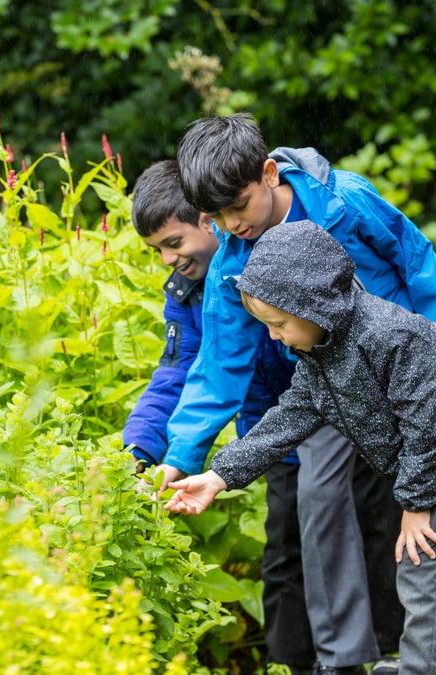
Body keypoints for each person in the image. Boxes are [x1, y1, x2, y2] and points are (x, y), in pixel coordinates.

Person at [166, 113, 436, 674]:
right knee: (318, 499)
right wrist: (182, 454)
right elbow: (218, 364)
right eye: (218, 216)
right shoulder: (232, 263)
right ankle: (342, 658)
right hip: (330, 386)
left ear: (267, 173)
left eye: (239, 205)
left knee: (428, 501)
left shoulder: (347, 202)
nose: (232, 224)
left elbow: (418, 264)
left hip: (407, 373)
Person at [119, 160, 315, 671]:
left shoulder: (268, 257)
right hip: (269, 444)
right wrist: (138, 452)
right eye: (156, 250)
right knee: (284, 563)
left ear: (210, 220)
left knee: (349, 544)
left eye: (174, 243)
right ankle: (291, 666)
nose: (167, 258)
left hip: (327, 426)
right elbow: (177, 375)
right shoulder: (184, 295)